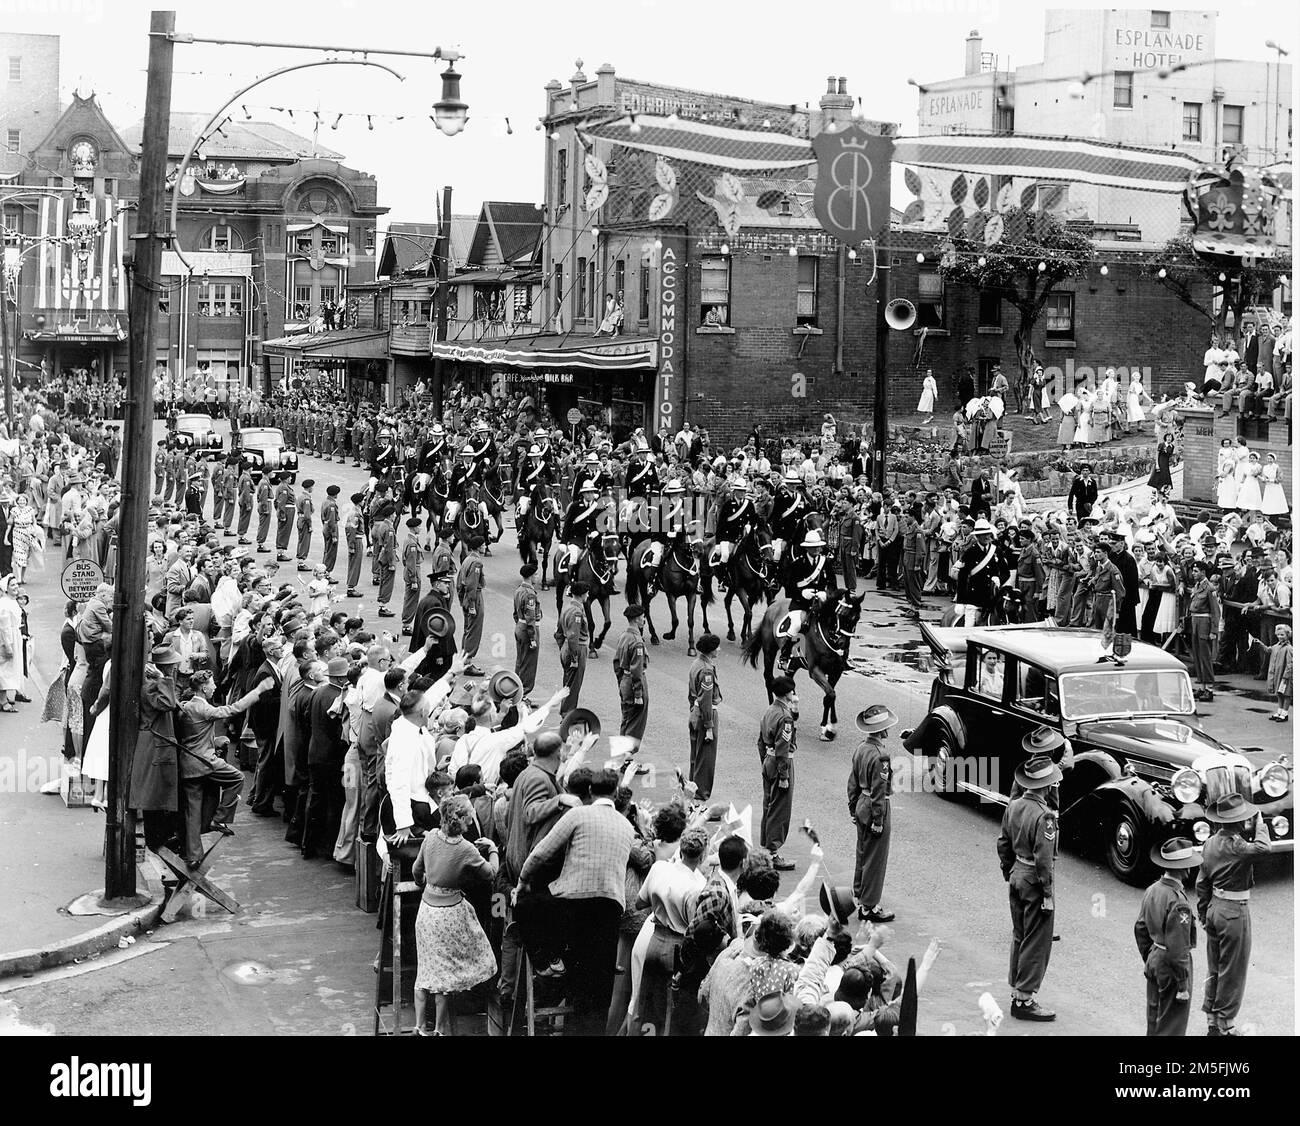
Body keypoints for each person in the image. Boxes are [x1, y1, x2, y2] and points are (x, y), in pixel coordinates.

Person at [516, 766, 637, 1036]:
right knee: (596, 994)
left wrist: (523, 881)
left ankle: (548, 959)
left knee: (524, 905)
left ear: (590, 791)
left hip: (573, 908)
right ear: (616, 793)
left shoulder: (579, 813)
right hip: (609, 912)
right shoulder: (627, 826)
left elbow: (541, 853)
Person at [412, 792, 499, 1036]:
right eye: (469, 816)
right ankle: (440, 1029)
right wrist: (492, 851)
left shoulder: (429, 838)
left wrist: (424, 882)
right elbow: (490, 873)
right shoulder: (466, 848)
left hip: (427, 909)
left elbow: (416, 870)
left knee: (426, 971)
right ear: (461, 819)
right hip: (449, 912)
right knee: (444, 980)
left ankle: (419, 1026)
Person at [996, 731, 1063, 1022]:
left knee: (1020, 934)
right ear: (1047, 786)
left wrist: (1009, 869)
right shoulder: (1044, 816)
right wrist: (1047, 893)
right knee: (1037, 940)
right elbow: (1044, 861)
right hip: (1034, 879)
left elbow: (1003, 843)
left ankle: (1017, 989)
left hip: (1017, 874)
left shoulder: (1014, 806)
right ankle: (1024, 999)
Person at [1196, 794, 1273, 1036]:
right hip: (1233, 911)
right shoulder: (1236, 845)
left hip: (1214, 908)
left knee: (1215, 967)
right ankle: (1225, 1025)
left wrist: (1204, 912)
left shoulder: (1210, 843)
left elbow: (1202, 882)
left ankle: (1211, 1020)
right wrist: (1261, 824)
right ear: (1240, 820)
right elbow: (1264, 847)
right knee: (1234, 970)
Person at [1135, 837, 1201, 1036]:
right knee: (1172, 1025)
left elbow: (1140, 928)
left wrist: (1151, 956)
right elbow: (1179, 947)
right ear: (1184, 869)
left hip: (1155, 956)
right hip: (1172, 966)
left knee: (1154, 1018)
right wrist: (1182, 984)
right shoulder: (1178, 901)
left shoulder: (1152, 890)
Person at [848, 704, 897, 924]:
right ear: (881, 730)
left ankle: (859, 894)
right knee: (876, 858)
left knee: (862, 852)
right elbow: (879, 789)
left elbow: (852, 782)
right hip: (875, 806)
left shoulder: (860, 749)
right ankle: (869, 906)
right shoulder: (881, 756)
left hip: (861, 802)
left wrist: (853, 807)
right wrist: (878, 819)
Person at [758, 675, 799, 871]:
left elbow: (760, 740)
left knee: (768, 804)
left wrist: (765, 762)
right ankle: (773, 852)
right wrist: (783, 776)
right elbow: (783, 747)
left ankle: (766, 847)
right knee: (780, 809)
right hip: (780, 762)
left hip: (768, 759)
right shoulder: (785, 717)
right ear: (788, 693)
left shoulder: (769, 710)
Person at [687, 632, 721, 800]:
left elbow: (693, 695)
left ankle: (692, 787)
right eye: (716, 647)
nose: (719, 649)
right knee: (706, 758)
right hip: (705, 714)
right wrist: (709, 726)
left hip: (695, 712)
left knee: (696, 755)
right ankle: (700, 794)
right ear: (710, 650)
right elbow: (706, 699)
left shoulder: (696, 663)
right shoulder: (707, 670)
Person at [613, 603, 649, 742]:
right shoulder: (637, 641)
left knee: (627, 718)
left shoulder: (624, 636)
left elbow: (616, 663)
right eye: (642, 617)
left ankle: (622, 757)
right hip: (634, 684)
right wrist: (638, 694)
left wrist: (621, 681)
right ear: (636, 619)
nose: (644, 619)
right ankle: (626, 756)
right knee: (635, 721)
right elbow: (637, 671)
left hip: (625, 680)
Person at [513, 563, 541, 704]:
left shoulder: (519, 589)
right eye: (536, 574)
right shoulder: (530, 593)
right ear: (530, 576)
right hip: (528, 629)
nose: (537, 576)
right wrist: (532, 637)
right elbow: (530, 616)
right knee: (529, 664)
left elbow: (515, 613)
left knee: (520, 661)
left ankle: (516, 691)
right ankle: (522, 694)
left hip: (519, 626)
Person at [558, 580, 589, 709]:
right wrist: (575, 657)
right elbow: (573, 636)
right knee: (573, 685)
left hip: (566, 647)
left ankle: (565, 710)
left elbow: (559, 632)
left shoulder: (567, 607)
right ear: (581, 595)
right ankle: (567, 713)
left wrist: (562, 647)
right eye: (587, 594)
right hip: (576, 649)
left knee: (568, 681)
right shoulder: (576, 612)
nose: (587, 596)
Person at [295, 479, 315, 570]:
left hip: (300, 519)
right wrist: (310, 525)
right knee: (304, 541)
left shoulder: (301, 496)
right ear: (310, 487)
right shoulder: (306, 498)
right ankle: (301, 562)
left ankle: (300, 560)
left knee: (301, 540)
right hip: (304, 521)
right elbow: (307, 515)